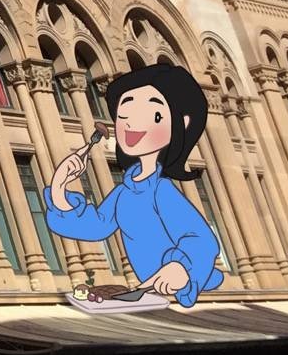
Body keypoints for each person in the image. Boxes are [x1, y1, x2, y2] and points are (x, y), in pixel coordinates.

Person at [46, 61, 223, 308]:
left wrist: (181, 268)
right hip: (146, 293)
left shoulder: (161, 191)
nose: (131, 124)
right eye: (124, 115)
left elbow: (200, 239)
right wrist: (59, 185)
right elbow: (93, 227)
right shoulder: (123, 193)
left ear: (181, 124)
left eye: (153, 115)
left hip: (172, 288)